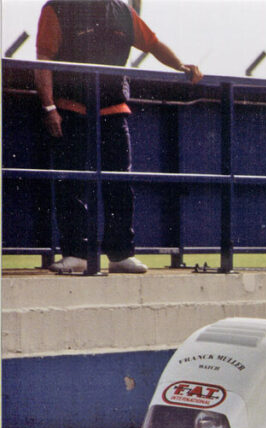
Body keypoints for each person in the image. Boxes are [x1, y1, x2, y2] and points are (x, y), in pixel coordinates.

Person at [34, 0, 202, 274]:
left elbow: (153, 44)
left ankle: (121, 254)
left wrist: (181, 66)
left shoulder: (122, 11)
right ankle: (76, 254)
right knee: (71, 183)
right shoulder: (58, 7)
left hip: (112, 108)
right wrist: (49, 106)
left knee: (120, 184)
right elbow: (43, 60)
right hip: (71, 108)